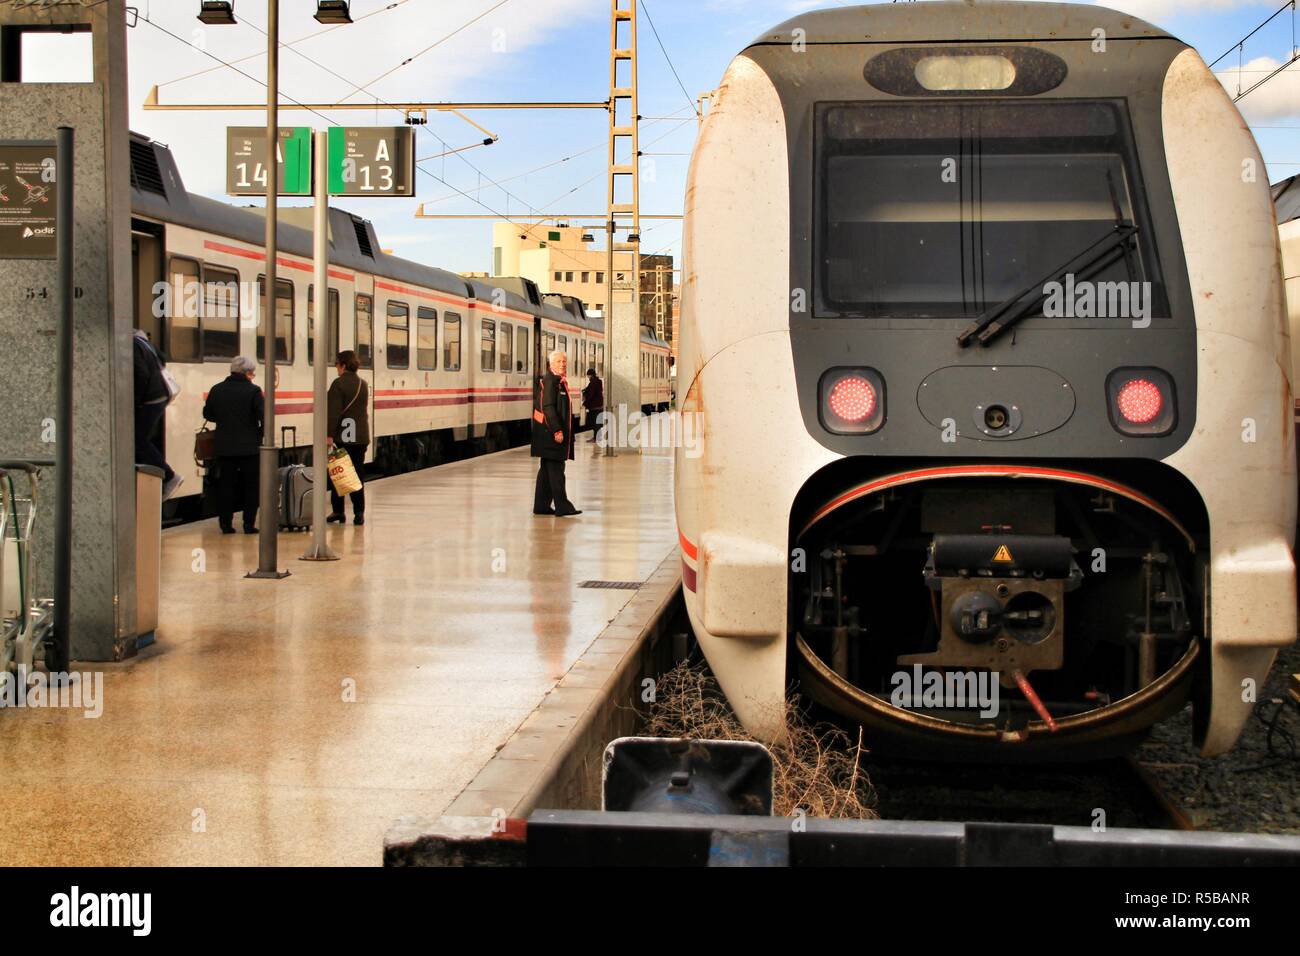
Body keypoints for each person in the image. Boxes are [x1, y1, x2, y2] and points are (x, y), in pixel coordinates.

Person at [203, 356, 264, 534]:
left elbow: (208, 414)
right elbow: (262, 416)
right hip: (249, 448)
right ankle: (248, 524)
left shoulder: (217, 389)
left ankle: (226, 524)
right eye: (252, 373)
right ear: (246, 373)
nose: (252, 376)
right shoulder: (253, 391)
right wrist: (259, 434)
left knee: (225, 486)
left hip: (224, 446)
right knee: (251, 486)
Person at [132, 329, 181, 500]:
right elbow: (161, 359)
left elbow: (141, 373)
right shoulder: (144, 343)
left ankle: (169, 476)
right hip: (159, 396)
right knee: (139, 439)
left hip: (151, 398)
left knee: (136, 439)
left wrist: (135, 401)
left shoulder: (133, 345)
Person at [531, 349, 580, 516]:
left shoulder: (557, 381)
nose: (562, 364)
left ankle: (541, 506)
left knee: (546, 472)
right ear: (551, 364)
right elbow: (548, 407)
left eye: (564, 362)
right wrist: (557, 430)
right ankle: (562, 505)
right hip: (550, 435)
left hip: (549, 434)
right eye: (559, 362)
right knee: (557, 470)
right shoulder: (550, 381)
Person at [326, 350, 370, 526]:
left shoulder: (338, 384)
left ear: (343, 365)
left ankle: (339, 511)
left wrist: (329, 434)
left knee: (339, 473)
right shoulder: (363, 384)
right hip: (360, 437)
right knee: (357, 474)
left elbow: (333, 413)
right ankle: (359, 512)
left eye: (337, 364)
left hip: (344, 436)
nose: (336, 368)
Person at [581, 367, 603, 443]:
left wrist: (585, 403)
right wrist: (585, 390)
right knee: (597, 423)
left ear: (590, 375)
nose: (588, 377)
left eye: (588, 376)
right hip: (599, 405)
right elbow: (590, 389)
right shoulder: (598, 381)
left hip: (594, 406)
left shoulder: (593, 382)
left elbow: (591, 394)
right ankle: (597, 438)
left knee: (595, 423)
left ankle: (596, 438)